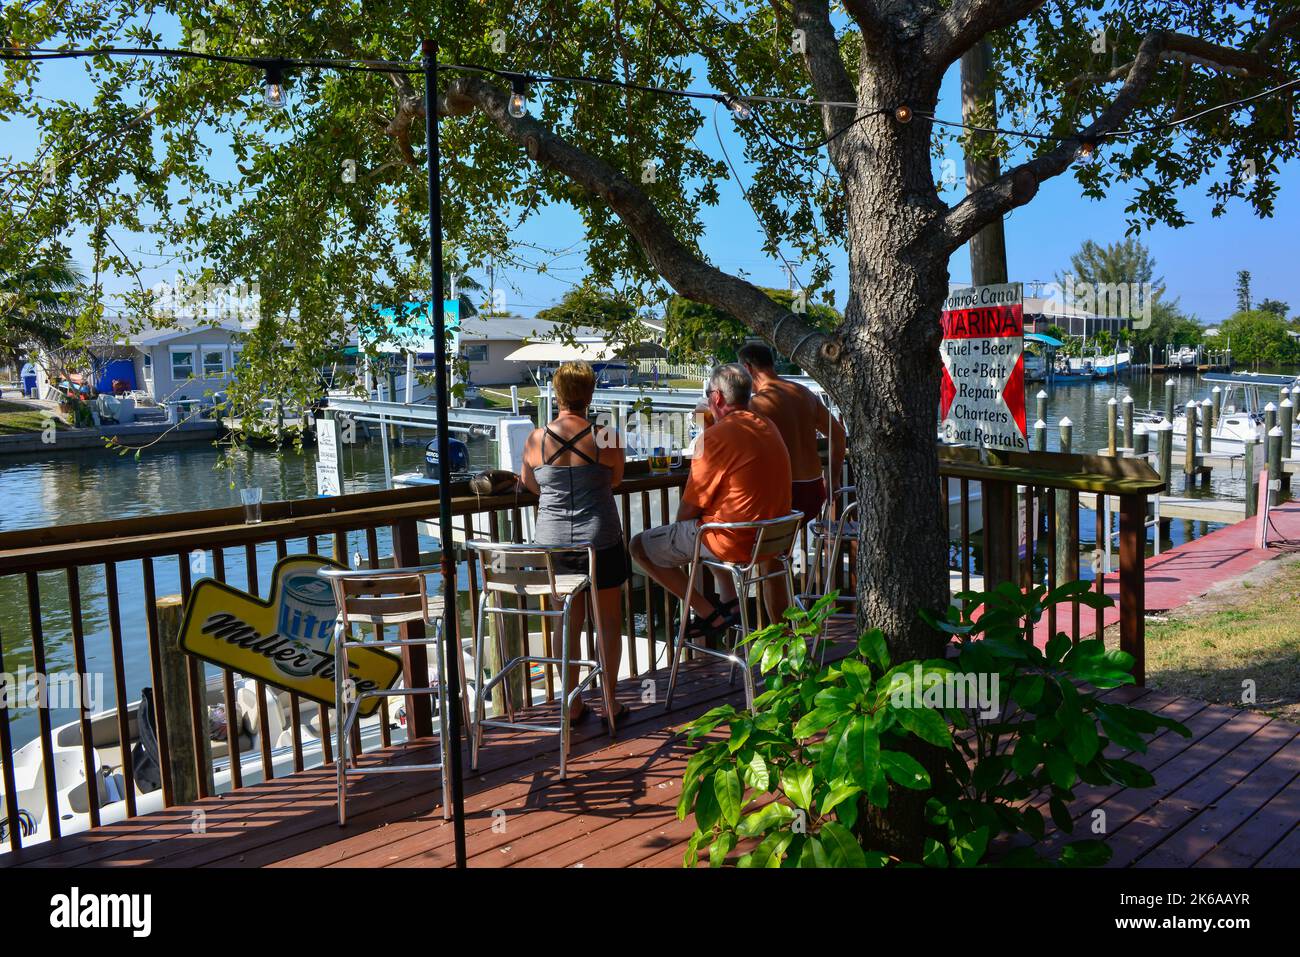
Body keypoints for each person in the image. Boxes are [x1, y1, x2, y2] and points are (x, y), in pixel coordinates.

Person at [630, 363, 792, 640]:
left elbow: (687, 511)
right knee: (704, 528)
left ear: (716, 398)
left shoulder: (715, 438)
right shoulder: (768, 425)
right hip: (772, 539)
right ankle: (729, 605)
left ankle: (710, 614)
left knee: (639, 547)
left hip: (735, 542)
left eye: (707, 396)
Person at [519, 361, 629, 727]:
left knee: (567, 624)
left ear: (556, 393)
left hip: (553, 545)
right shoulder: (606, 436)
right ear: (590, 394)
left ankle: (571, 703)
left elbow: (531, 485)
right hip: (600, 540)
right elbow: (615, 479)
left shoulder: (536, 438)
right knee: (609, 622)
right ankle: (611, 702)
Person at [737, 342, 846, 522]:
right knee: (780, 542)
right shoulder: (804, 393)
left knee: (751, 541)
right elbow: (839, 434)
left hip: (783, 493)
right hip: (814, 491)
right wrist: (833, 478)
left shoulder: (756, 404)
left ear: (747, 368)